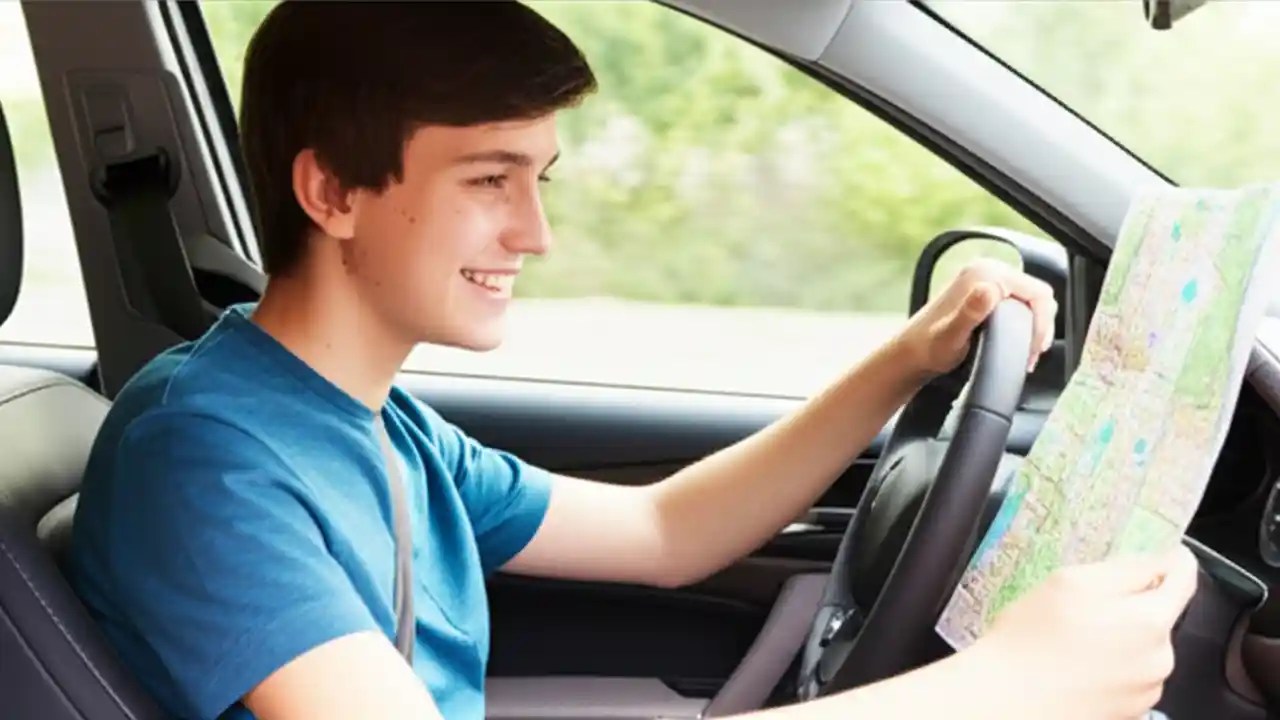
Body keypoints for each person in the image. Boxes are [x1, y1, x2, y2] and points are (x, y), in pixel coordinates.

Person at [66, 3, 1198, 720]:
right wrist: (1001, 687)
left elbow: (666, 535)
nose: (533, 233)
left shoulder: (373, 421)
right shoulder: (205, 456)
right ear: (332, 193)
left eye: (536, 181)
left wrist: (903, 361)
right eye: (486, 180)